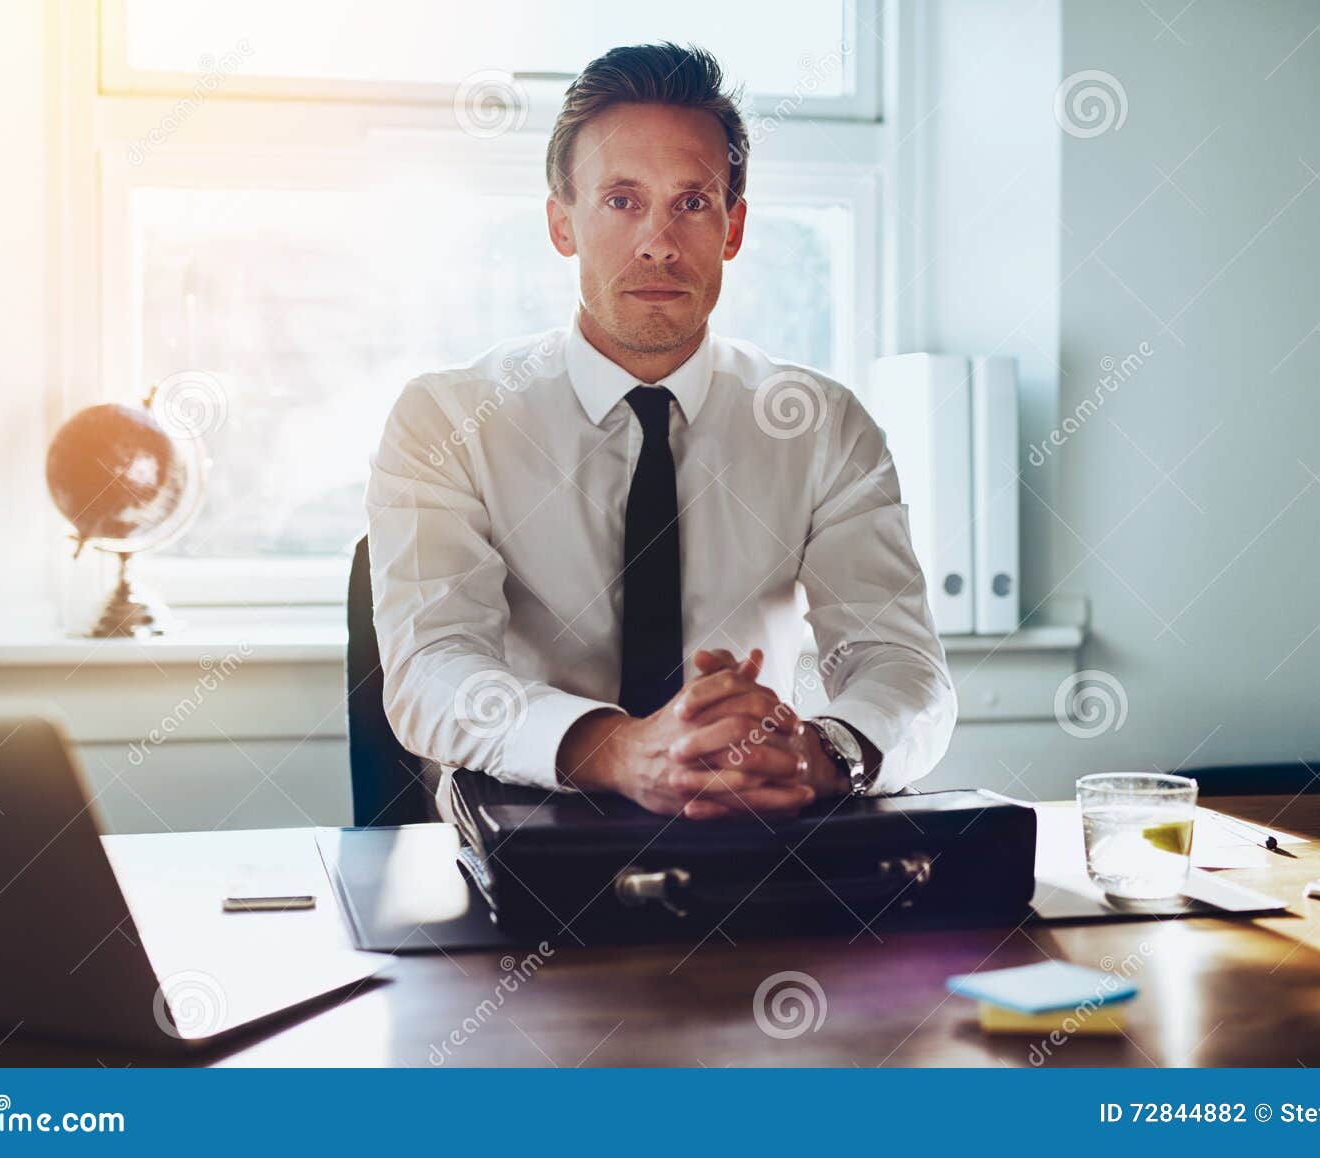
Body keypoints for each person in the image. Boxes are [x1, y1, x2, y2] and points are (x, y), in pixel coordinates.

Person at [366, 42, 956, 821]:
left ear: (733, 228)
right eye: (621, 200)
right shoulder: (445, 421)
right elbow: (432, 668)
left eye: (692, 202)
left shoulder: (823, 426)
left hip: (755, 824)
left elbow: (902, 666)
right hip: (532, 837)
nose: (658, 242)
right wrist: (622, 748)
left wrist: (822, 754)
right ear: (561, 223)